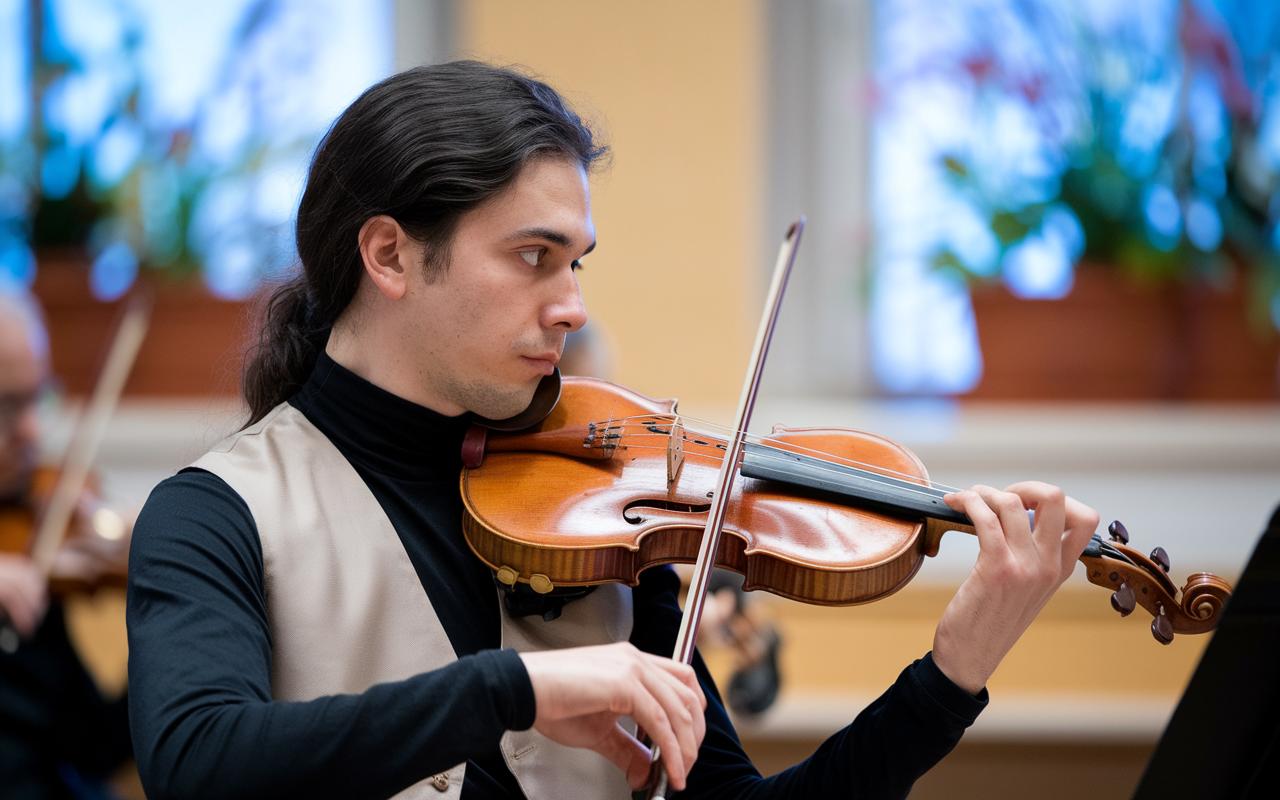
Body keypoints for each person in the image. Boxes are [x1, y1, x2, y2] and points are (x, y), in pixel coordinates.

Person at [126, 61, 1099, 799]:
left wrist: (948, 673)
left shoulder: (604, 520)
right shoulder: (215, 513)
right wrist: (515, 686)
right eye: (533, 256)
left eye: (578, 260)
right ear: (389, 253)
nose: (572, 306)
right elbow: (196, 761)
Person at [0, 289, 134, 799]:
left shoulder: (35, 550)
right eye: (6, 405)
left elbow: (93, 749)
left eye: (38, 397)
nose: (32, 428)